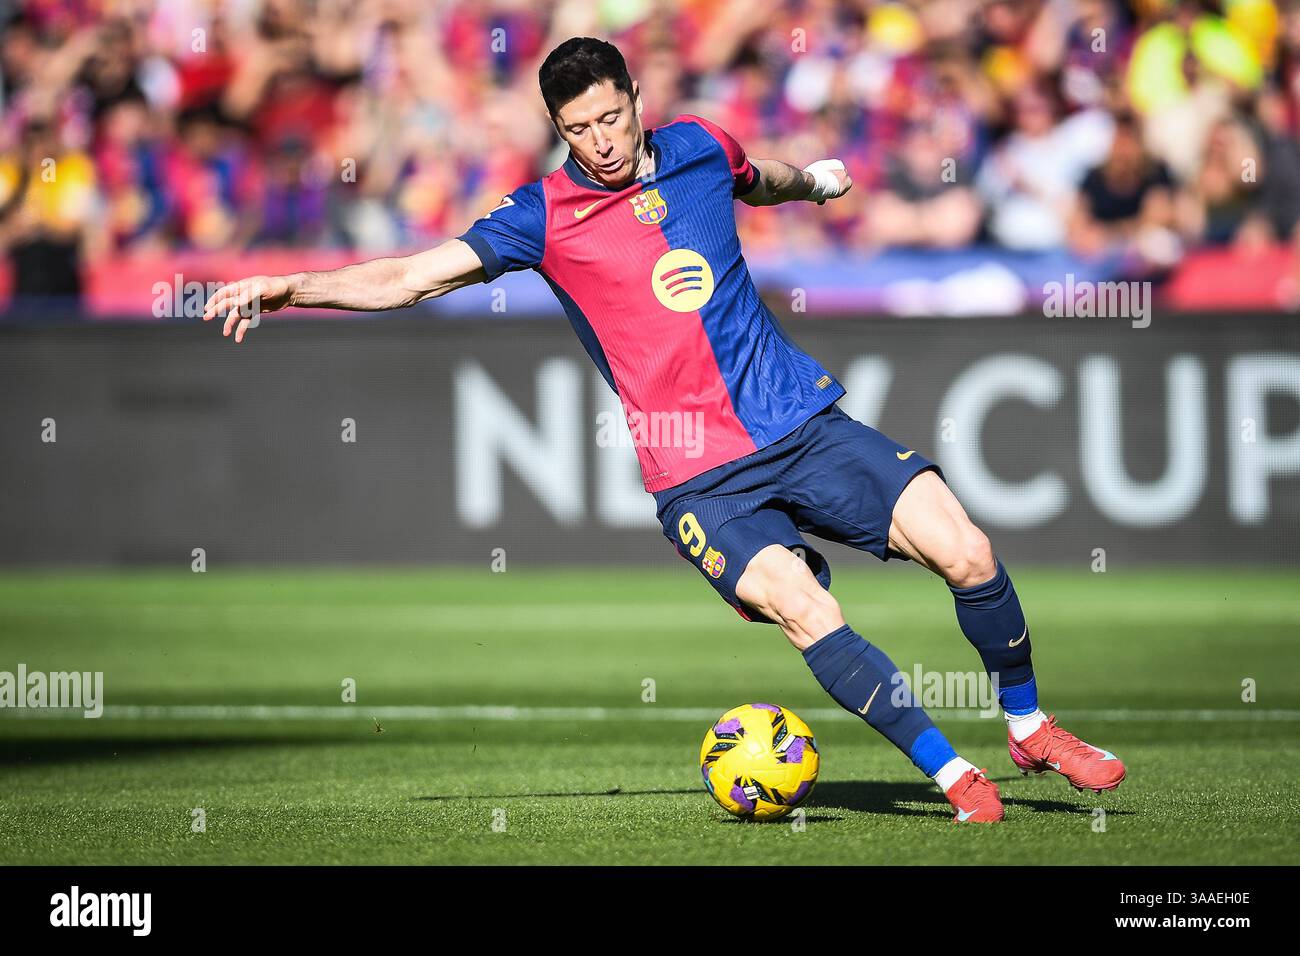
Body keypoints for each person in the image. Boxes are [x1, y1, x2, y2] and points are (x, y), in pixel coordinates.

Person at [204, 37, 1125, 822]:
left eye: (610, 118)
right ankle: (956, 777)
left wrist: (813, 183)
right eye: (578, 129)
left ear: (637, 100)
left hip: (798, 419)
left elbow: (754, 177)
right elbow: (411, 277)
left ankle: (1029, 728)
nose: (599, 142)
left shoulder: (695, 148)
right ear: (557, 130)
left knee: (965, 549)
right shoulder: (541, 217)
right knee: (809, 610)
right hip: (697, 478)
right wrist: (291, 286)